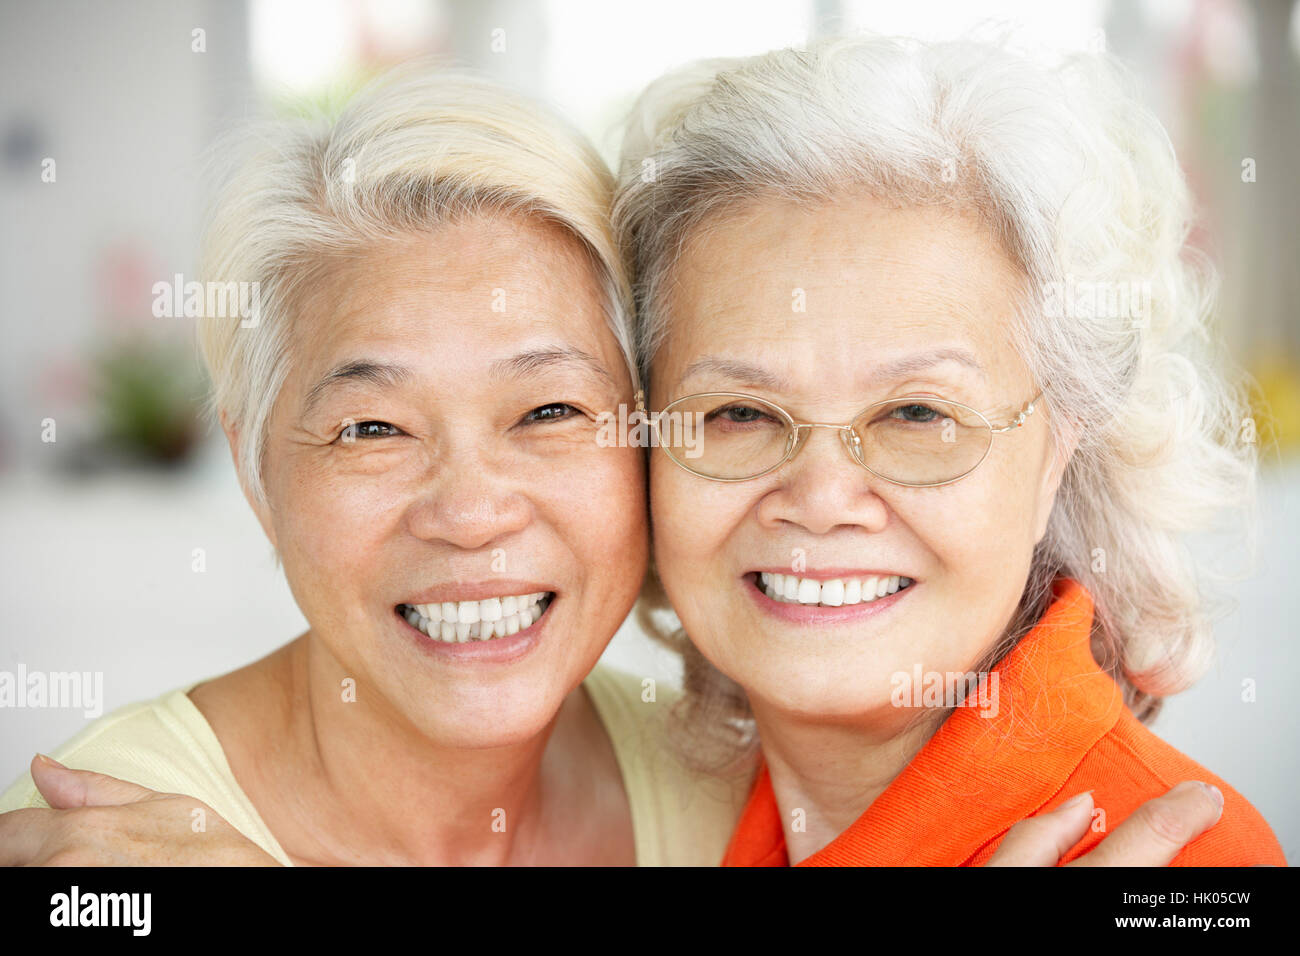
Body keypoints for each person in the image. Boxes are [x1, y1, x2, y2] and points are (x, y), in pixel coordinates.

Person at [0, 57, 1227, 868]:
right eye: (372, 426)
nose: (472, 509)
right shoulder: (117, 845)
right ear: (253, 471)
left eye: (547, 409)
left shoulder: (717, 768)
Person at [612, 34, 1286, 866]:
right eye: (741, 412)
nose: (822, 496)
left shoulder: (1188, 864)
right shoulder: (671, 821)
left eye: (918, 414)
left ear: (1056, 454)